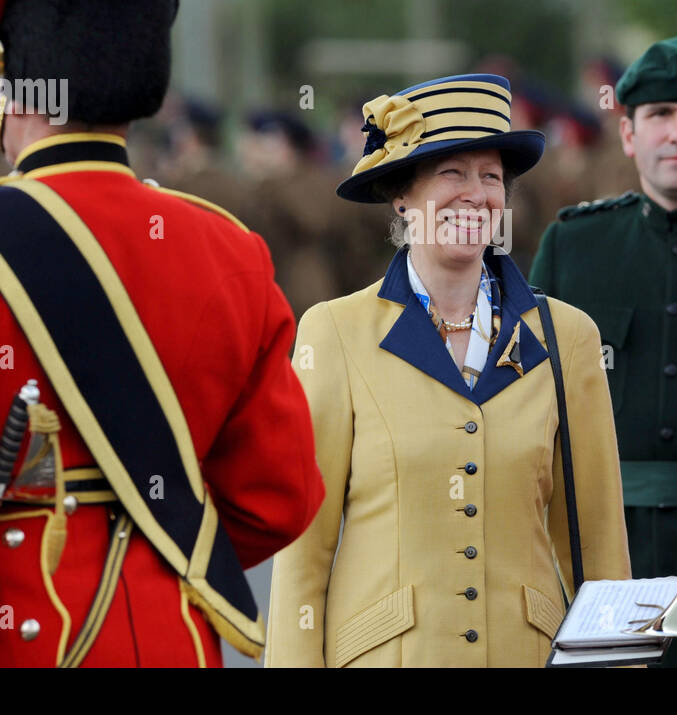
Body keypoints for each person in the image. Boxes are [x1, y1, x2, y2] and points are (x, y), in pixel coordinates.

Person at [0, 0, 323, 668]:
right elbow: (279, 494)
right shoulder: (229, 248)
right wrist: (158, 527)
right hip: (177, 641)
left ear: (16, 91)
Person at [265, 73, 630, 668]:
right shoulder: (334, 333)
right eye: (452, 173)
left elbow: (598, 545)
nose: (476, 193)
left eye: (490, 176)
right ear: (402, 195)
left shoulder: (568, 337)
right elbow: (304, 552)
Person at [529, 14, 677, 667]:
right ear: (629, 134)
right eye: (660, 113)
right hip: (605, 555)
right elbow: (527, 403)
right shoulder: (574, 245)